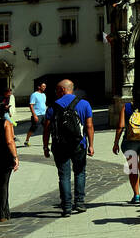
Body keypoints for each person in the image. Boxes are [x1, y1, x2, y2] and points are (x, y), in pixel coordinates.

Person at [43, 79, 94, 216]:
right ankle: (80, 203)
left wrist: (45, 147)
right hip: (79, 144)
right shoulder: (84, 104)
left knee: (64, 176)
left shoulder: (53, 107)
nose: (56, 93)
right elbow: (89, 126)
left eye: (57, 90)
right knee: (80, 172)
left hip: (59, 145)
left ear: (63, 90)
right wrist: (91, 145)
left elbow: (47, 129)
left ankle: (66, 207)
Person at [0, 100, 18, 221]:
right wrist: (15, 157)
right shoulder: (6, 123)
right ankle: (3, 214)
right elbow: (10, 141)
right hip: (3, 157)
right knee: (3, 185)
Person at [24, 79, 47, 147]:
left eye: (45, 86)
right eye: (43, 86)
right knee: (33, 129)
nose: (44, 87)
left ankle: (46, 141)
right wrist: (34, 115)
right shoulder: (34, 95)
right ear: (39, 87)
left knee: (47, 128)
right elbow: (31, 105)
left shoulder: (44, 95)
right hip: (37, 115)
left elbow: (43, 103)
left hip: (44, 114)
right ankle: (26, 141)